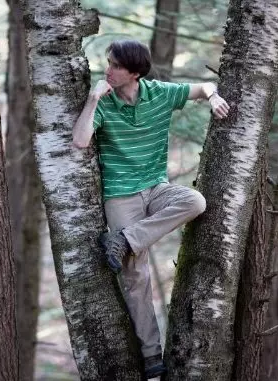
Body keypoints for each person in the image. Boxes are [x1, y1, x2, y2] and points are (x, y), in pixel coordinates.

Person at [72, 39, 229, 379]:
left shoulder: (159, 93)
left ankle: (125, 238)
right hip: (120, 196)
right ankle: (151, 357)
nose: (107, 70)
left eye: (114, 65)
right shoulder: (104, 102)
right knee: (135, 275)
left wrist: (214, 96)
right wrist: (93, 98)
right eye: (108, 63)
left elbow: (203, 87)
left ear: (135, 72)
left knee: (195, 201)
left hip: (157, 187)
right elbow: (81, 140)